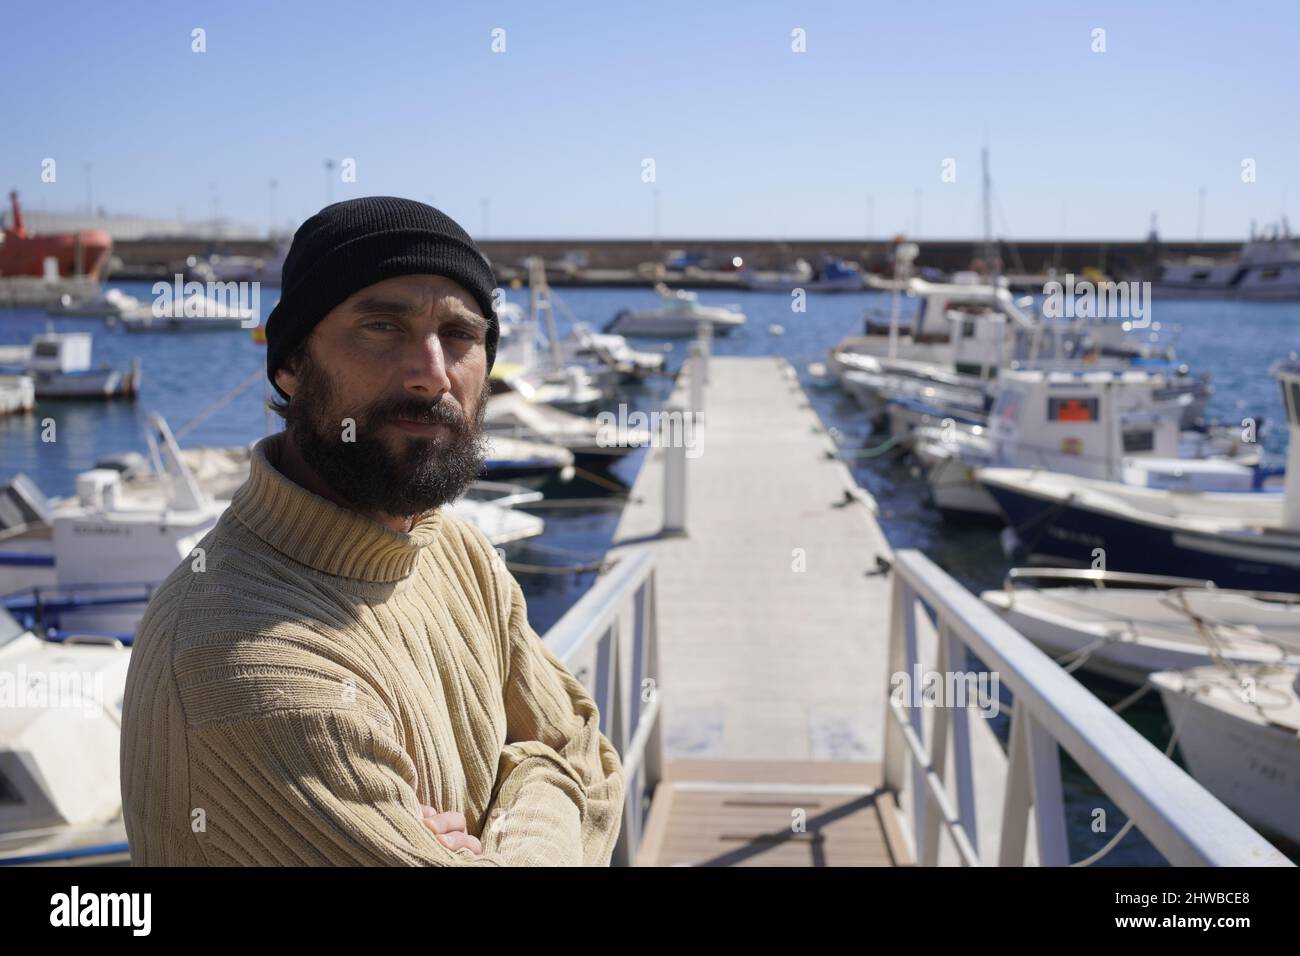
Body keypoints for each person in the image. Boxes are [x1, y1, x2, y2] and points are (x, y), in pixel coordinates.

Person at [120, 197, 625, 866]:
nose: (431, 372)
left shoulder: (451, 548)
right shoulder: (237, 658)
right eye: (381, 326)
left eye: (460, 335)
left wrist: (507, 819)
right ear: (292, 365)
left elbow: (583, 748)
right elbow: (571, 770)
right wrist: (540, 784)